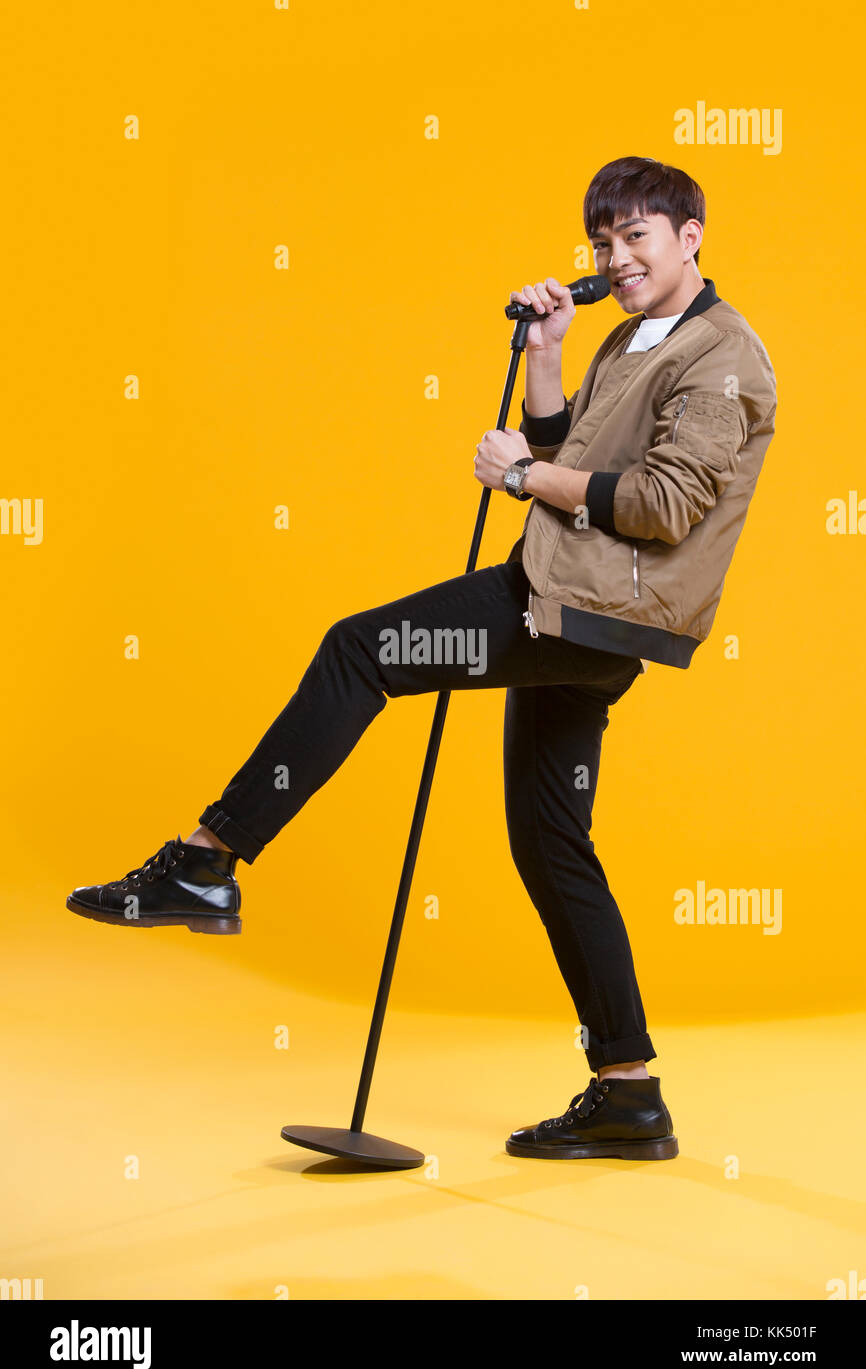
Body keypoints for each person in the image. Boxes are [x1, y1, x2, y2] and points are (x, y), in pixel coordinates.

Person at [66, 155, 777, 1162]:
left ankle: (207, 860)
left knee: (360, 651)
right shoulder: (633, 334)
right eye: (602, 243)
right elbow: (572, 449)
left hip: (569, 609)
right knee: (548, 840)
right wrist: (546, 353)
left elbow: (659, 504)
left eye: (636, 238)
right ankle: (628, 1091)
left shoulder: (723, 355)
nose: (614, 259)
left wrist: (525, 473)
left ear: (690, 235)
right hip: (579, 617)